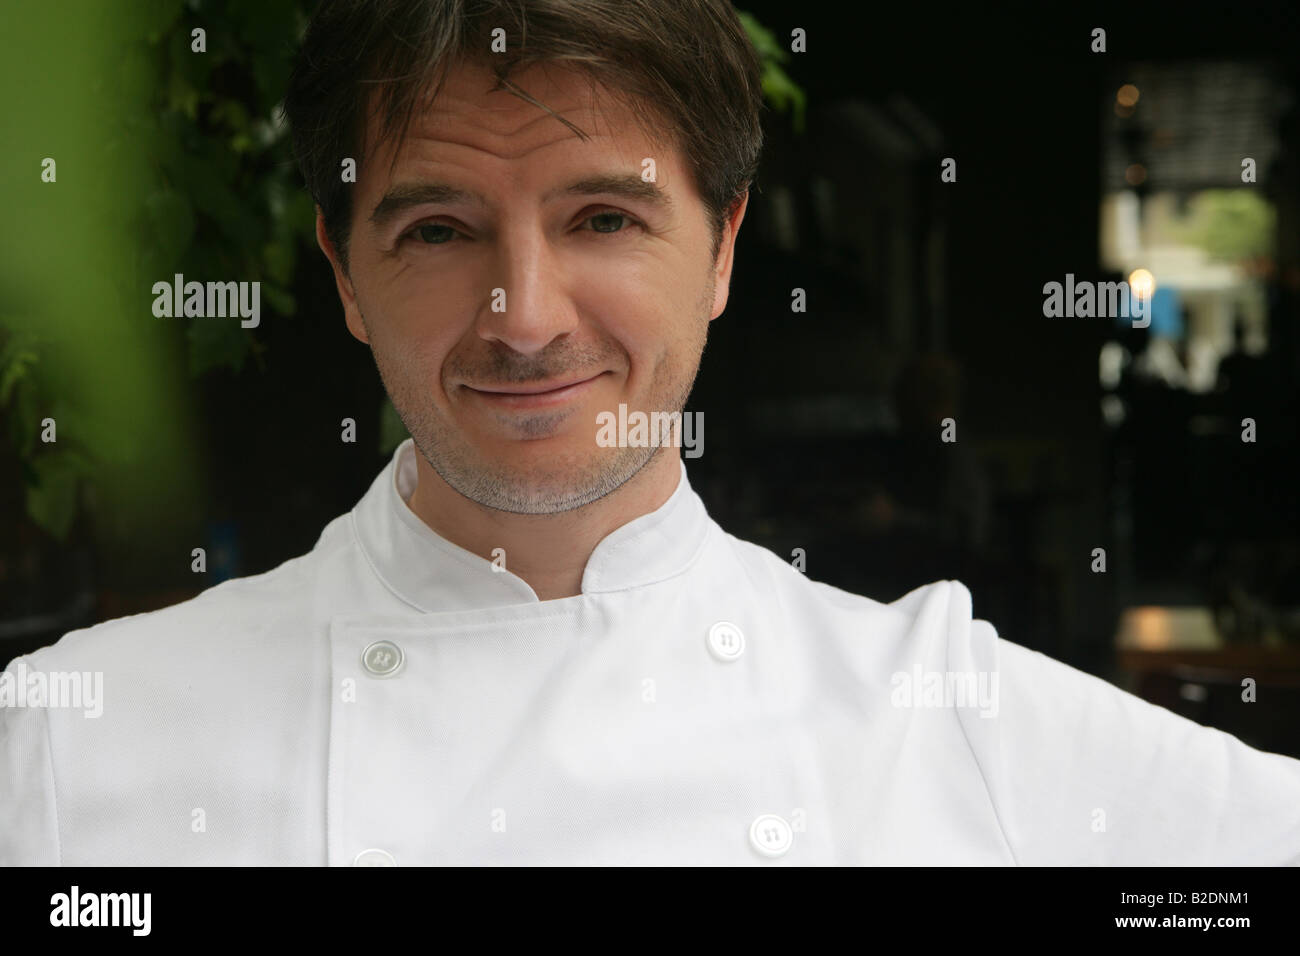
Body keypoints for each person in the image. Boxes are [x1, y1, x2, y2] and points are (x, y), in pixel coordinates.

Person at [3, 0, 1298, 866]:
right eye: (438, 231)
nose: (523, 320)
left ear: (725, 248)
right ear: (345, 273)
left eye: (604, 220)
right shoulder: (75, 740)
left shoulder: (953, 725)